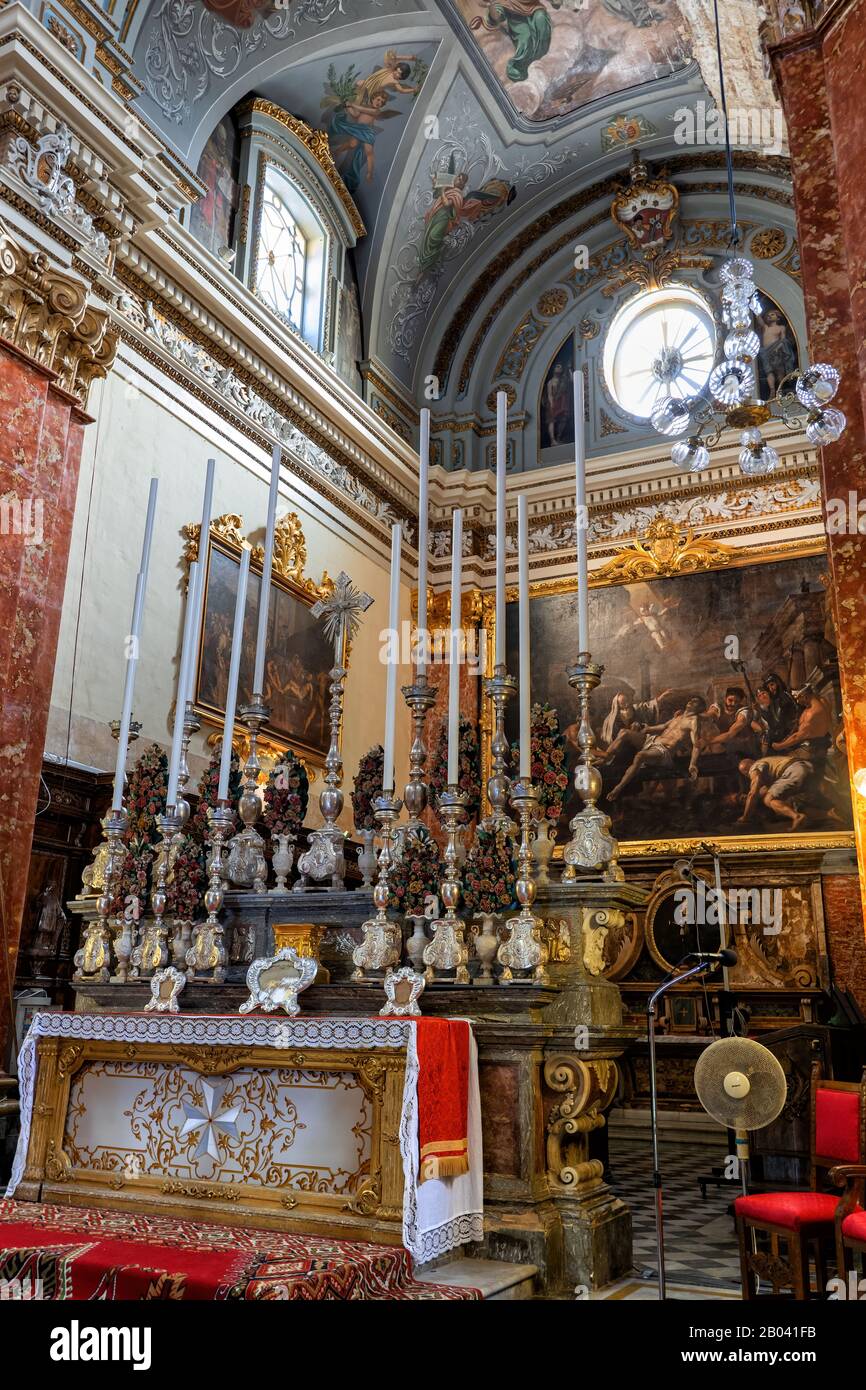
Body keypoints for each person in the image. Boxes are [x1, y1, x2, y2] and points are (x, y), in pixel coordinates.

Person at [607, 696, 707, 801]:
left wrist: (693, 764)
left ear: (700, 708)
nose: (691, 701)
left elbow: (696, 745)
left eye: (695, 702)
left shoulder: (694, 721)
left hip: (663, 750)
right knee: (624, 732)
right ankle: (605, 757)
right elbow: (663, 726)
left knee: (639, 756)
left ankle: (618, 788)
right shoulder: (679, 716)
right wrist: (647, 729)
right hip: (653, 740)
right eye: (691, 700)